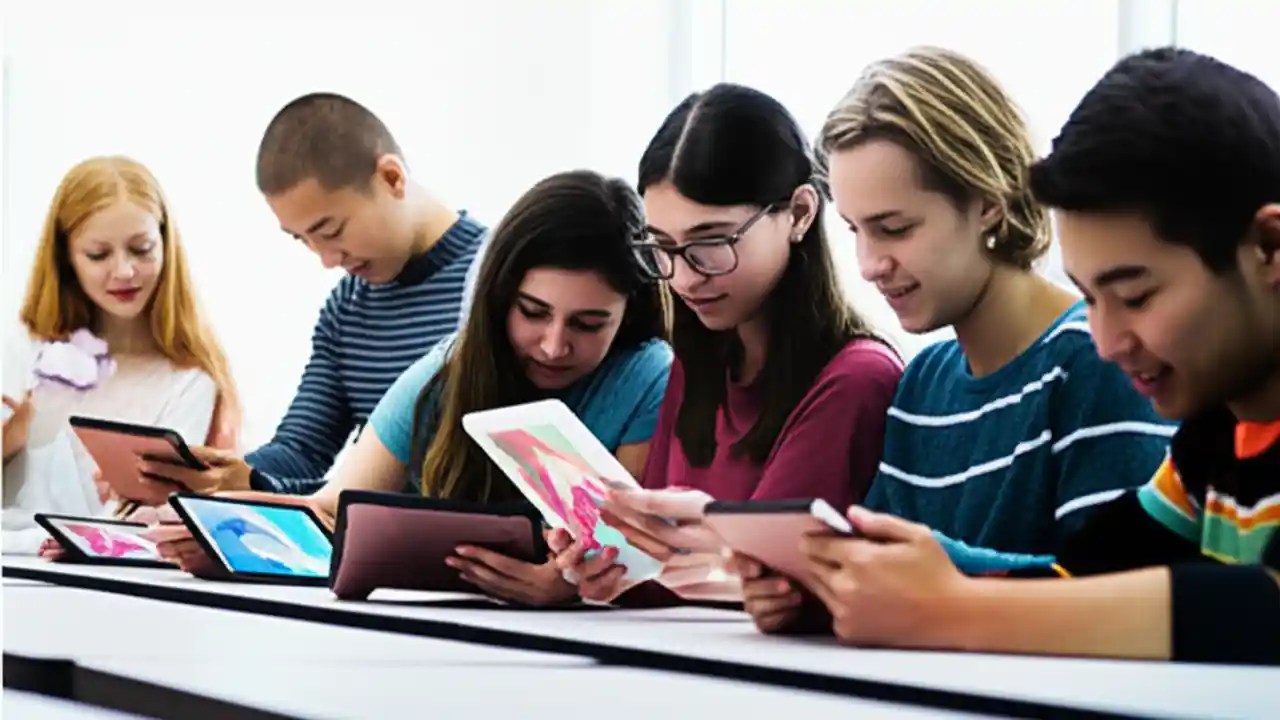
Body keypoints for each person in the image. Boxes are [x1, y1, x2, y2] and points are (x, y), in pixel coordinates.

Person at [790, 47, 1280, 665]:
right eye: (1089, 297)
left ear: (1268, 248)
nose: (1106, 341)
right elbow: (1092, 580)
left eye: (1135, 295)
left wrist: (948, 608)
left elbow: (1263, 607)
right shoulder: (1214, 441)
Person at [738, 47, 1181, 633]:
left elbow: (1114, 594)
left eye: (895, 229)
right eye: (855, 231)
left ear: (989, 205)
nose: (869, 264)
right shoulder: (923, 381)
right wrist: (810, 592)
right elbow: (881, 571)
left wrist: (930, 576)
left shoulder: (1099, 361)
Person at [154, 170, 673, 607]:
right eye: (533, 313)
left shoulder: (650, 374)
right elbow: (335, 509)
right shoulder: (447, 370)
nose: (554, 345)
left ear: (627, 317)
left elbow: (627, 548)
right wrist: (224, 538)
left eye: (588, 324)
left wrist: (569, 589)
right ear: (497, 300)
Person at [553, 83, 904, 604]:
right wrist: (613, 564)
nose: (685, 279)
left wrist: (673, 559)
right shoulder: (692, 367)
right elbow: (676, 575)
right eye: (664, 248)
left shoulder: (857, 378)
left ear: (801, 214)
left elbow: (773, 583)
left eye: (711, 243)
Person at [139, 92, 487, 498]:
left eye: (332, 231)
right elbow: (301, 450)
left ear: (392, 178)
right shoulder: (347, 308)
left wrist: (257, 485)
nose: (326, 259)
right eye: (302, 239)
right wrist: (209, 474)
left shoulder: (504, 287)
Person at [2, 156, 240, 554]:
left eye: (141, 249)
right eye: (98, 255)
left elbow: (153, 522)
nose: (125, 271)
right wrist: (25, 424)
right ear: (66, 258)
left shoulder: (190, 380)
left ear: (166, 244)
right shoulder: (22, 345)